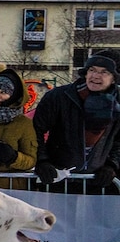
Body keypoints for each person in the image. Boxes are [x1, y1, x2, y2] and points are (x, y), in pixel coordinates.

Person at [32, 49, 120, 188]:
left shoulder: (117, 102)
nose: (95, 76)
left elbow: (118, 140)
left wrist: (112, 165)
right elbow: (35, 130)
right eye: (92, 70)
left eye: (104, 72)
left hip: (97, 181)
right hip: (58, 178)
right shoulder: (59, 97)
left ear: (114, 78)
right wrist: (42, 160)